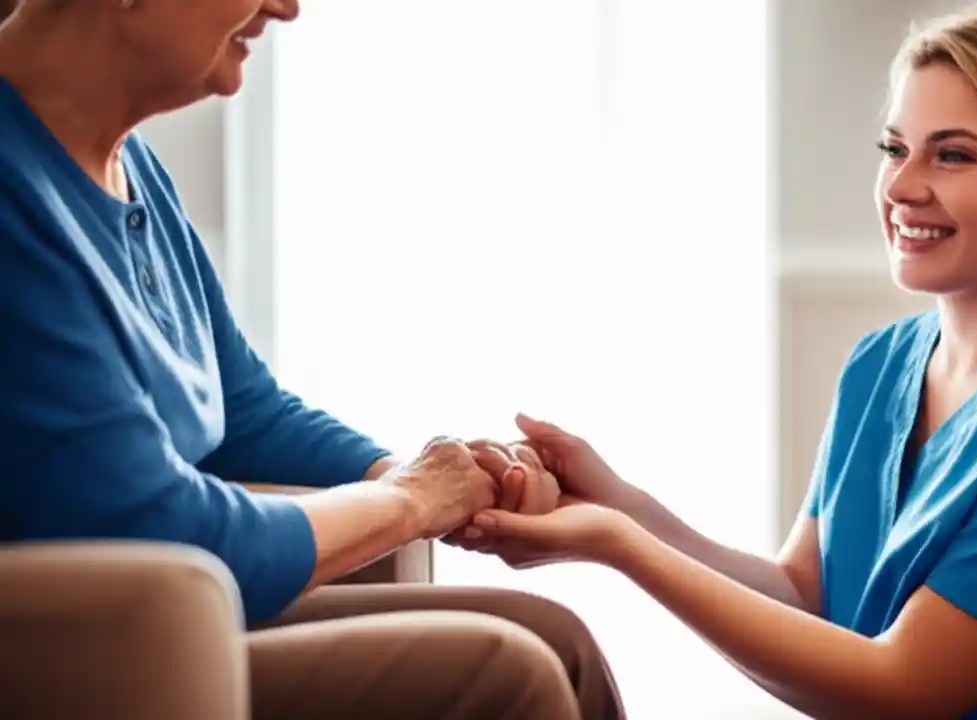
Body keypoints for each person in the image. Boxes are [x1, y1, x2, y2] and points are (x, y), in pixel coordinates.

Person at [455, 12, 977, 719]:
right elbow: (806, 595)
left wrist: (620, 548)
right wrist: (621, 507)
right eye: (894, 149)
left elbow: (900, 690)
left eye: (953, 154)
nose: (903, 187)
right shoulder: (880, 366)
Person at [0, 1, 622, 718]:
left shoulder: (130, 166)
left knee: (555, 641)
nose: (285, 6)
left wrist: (424, 473)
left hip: (150, 631)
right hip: (69, 654)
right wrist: (411, 500)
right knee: (509, 674)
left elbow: (245, 413)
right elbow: (165, 530)